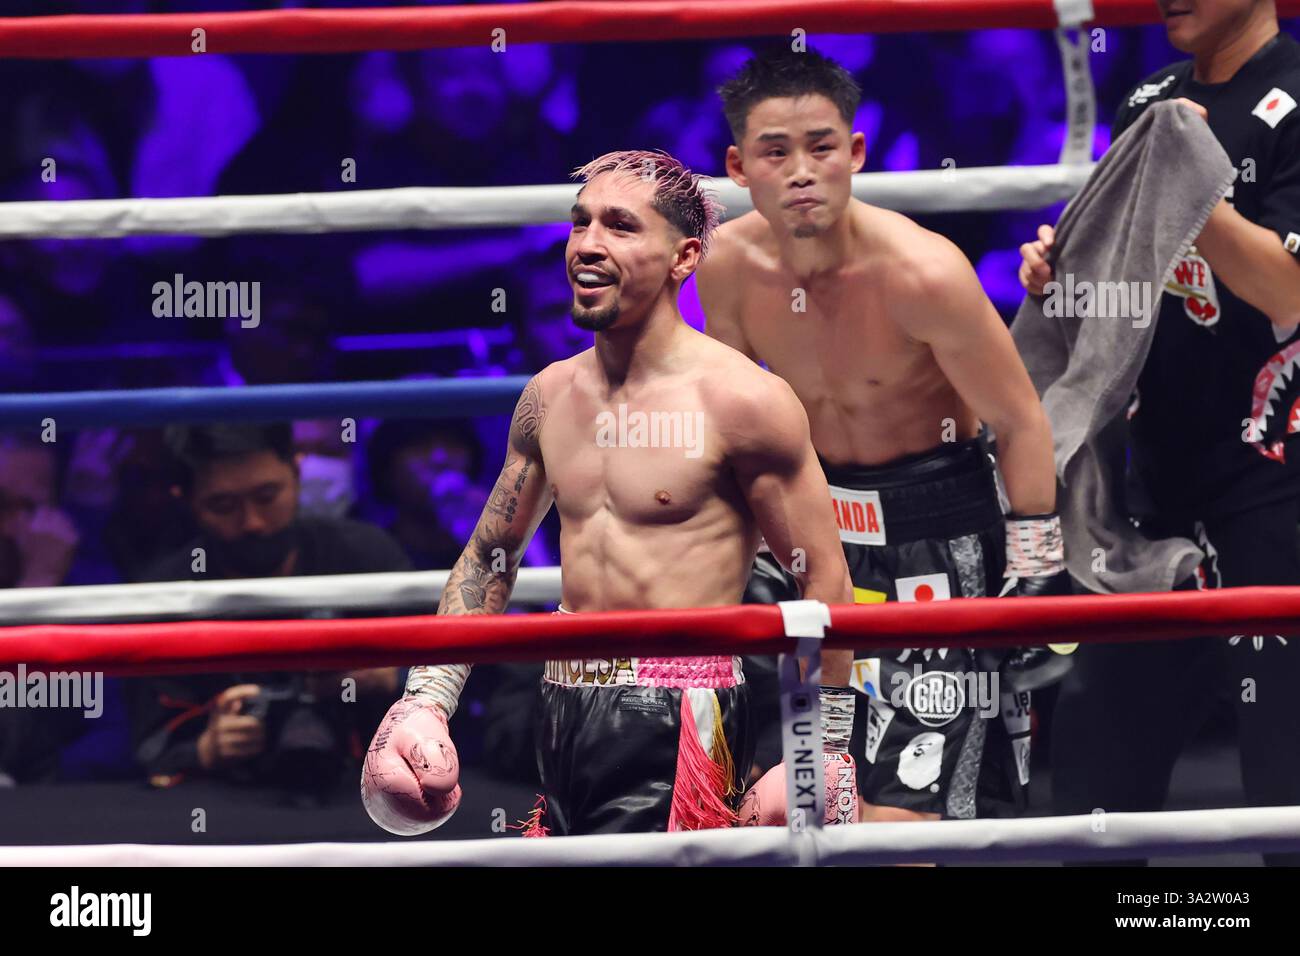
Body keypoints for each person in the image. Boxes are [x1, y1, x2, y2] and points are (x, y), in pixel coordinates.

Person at [360, 148, 856, 837]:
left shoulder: (744, 401)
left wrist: (822, 745)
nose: (588, 245)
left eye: (620, 226)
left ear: (684, 258)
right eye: (580, 223)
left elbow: (821, 576)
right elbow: (490, 556)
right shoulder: (550, 396)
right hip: (562, 702)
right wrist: (429, 697)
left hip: (682, 710)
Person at [698, 49, 1070, 824]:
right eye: (776, 151)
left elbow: (1020, 418)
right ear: (739, 166)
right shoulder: (726, 266)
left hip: (937, 535)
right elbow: (738, 424)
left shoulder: (924, 272)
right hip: (819, 538)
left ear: (856, 153)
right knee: (817, 799)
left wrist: (1037, 568)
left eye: (821, 146)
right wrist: (756, 545)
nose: (802, 170)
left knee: (914, 811)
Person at [1018, 0, 1300, 865]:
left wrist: (1185, 184)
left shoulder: (1296, 98)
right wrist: (1063, 261)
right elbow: (1126, 257)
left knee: (1284, 785)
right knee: (1096, 779)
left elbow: (1292, 293)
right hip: (1153, 486)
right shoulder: (1152, 94)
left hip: (1274, 484)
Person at [128, 423, 408, 794]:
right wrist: (202, 749)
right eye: (223, 506)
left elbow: (463, 686)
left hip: (377, 787)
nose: (252, 523)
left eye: (267, 496)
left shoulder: (366, 556)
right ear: (188, 502)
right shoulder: (167, 597)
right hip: (225, 808)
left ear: (296, 473)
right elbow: (140, 745)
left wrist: (394, 678)